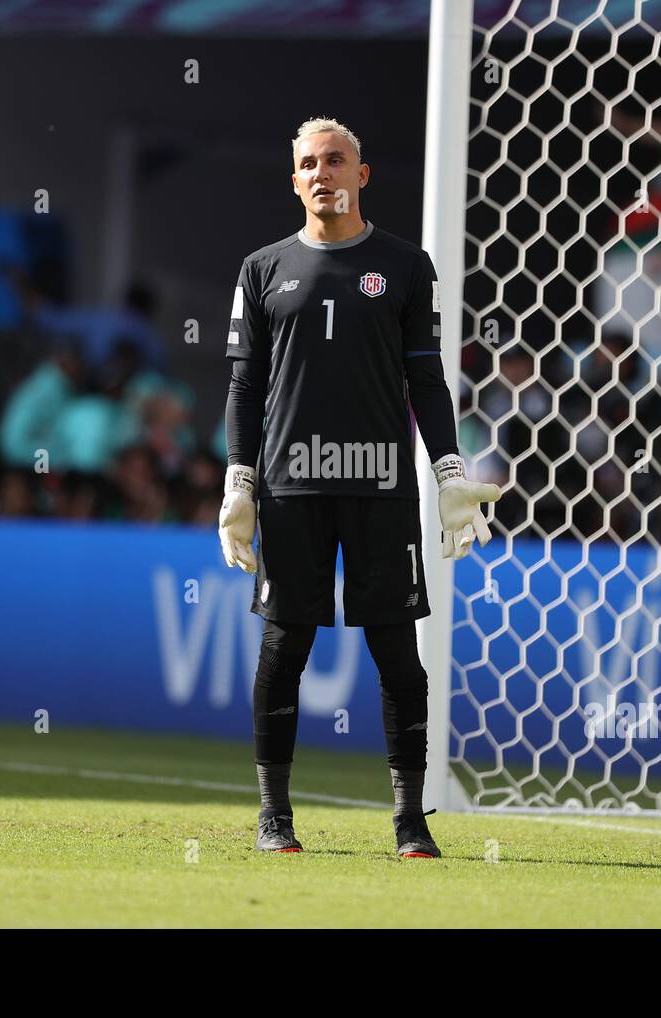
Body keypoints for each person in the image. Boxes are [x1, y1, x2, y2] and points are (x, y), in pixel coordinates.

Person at [218, 117, 503, 857]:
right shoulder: (260, 270)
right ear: (294, 181)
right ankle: (273, 817)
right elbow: (244, 388)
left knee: (396, 652)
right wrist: (238, 483)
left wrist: (447, 472)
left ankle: (410, 822)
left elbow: (426, 379)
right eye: (308, 163)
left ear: (362, 175)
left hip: (379, 486)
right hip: (290, 488)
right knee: (284, 649)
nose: (322, 173)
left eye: (335, 160)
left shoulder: (406, 267)